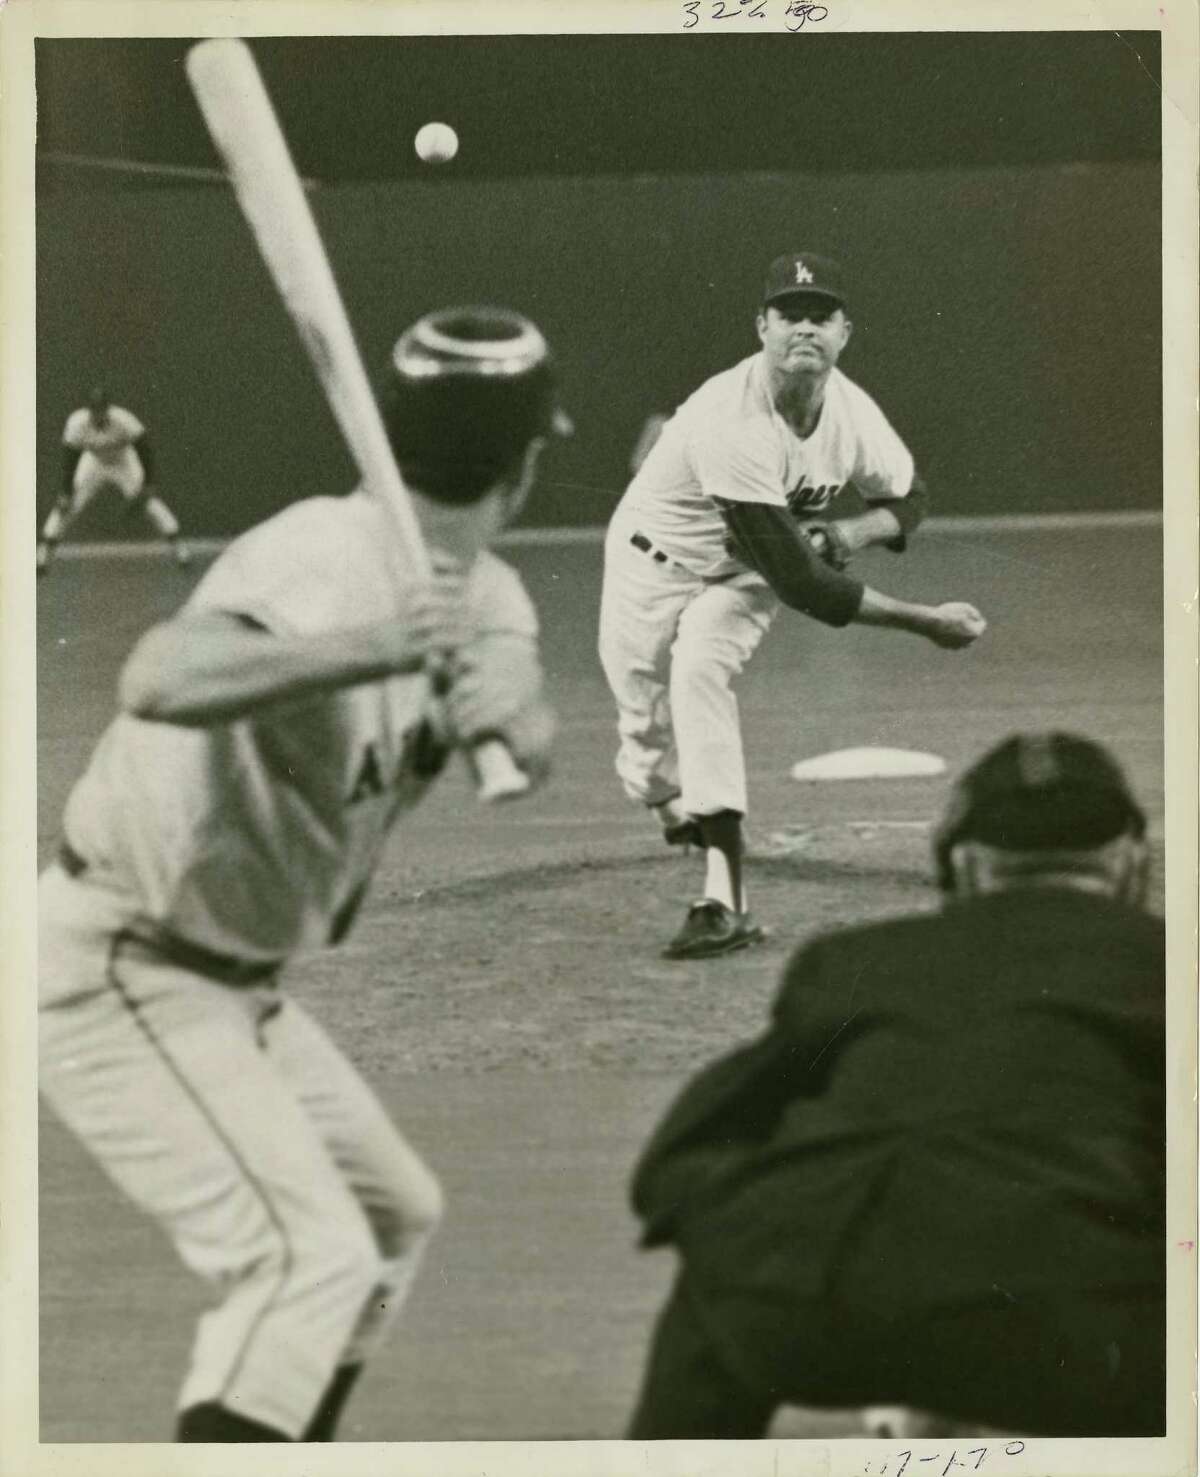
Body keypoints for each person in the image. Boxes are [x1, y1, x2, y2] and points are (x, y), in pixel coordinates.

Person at [38, 307, 569, 1443]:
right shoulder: (323, 557)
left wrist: (514, 714)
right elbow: (158, 674)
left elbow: (524, 705)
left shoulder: (483, 595)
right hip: (118, 959)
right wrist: (373, 647)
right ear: (531, 458)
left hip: (236, 983)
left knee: (388, 1222)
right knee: (301, 1257)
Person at [626, 731, 1166, 1439]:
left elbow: (681, 1152)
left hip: (811, 1308)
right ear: (1131, 864)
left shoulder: (857, 960)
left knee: (721, 1280)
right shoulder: (1168, 965)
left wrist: (747, 1239)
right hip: (1072, 1331)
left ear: (963, 866)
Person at [598, 251, 986, 959]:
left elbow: (909, 498)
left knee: (699, 676)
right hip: (650, 561)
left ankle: (724, 895)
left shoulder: (852, 412)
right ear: (762, 328)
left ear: (845, 333)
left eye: (821, 317)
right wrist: (925, 620)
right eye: (790, 315)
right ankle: (667, 804)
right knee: (645, 736)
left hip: (741, 578)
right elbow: (805, 584)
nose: (805, 329)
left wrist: (848, 530)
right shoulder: (730, 418)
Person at [37, 387, 191, 575]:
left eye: (101, 408)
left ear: (107, 408)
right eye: (94, 409)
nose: (98, 413)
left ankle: (180, 551)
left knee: (150, 505)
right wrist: (66, 491)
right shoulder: (77, 423)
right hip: (94, 462)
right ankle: (43, 556)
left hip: (123, 461)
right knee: (67, 505)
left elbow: (145, 451)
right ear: (89, 410)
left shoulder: (125, 420)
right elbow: (70, 459)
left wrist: (149, 483)